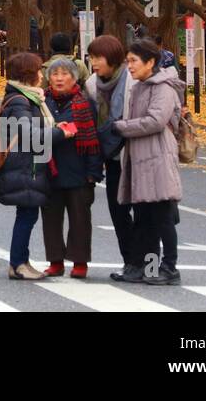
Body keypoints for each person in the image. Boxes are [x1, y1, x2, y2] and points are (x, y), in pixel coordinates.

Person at [112, 38, 183, 285]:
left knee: (162, 217)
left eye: (133, 61)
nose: (129, 66)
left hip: (158, 157)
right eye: (127, 61)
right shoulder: (140, 86)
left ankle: (170, 267)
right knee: (144, 217)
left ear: (150, 62)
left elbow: (155, 121)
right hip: (140, 157)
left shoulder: (163, 87)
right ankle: (150, 269)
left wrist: (120, 127)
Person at [40, 55, 102, 278]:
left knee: (80, 220)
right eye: (55, 74)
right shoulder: (42, 102)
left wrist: (93, 173)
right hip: (50, 171)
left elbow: (95, 140)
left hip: (79, 172)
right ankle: (55, 261)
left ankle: (79, 262)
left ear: (74, 78)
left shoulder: (84, 103)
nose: (59, 78)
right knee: (51, 219)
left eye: (64, 74)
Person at [0, 52, 52, 280]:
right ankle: (18, 263)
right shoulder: (20, 100)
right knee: (27, 214)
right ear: (28, 74)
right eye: (38, 70)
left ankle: (21, 261)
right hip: (23, 164)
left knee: (27, 213)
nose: (41, 74)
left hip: (24, 163)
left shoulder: (25, 97)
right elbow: (28, 133)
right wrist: (59, 132)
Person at [84, 35, 137, 279]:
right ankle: (130, 262)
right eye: (91, 57)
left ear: (113, 58)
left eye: (98, 57)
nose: (93, 62)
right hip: (111, 156)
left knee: (145, 213)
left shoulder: (132, 81)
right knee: (118, 211)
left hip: (136, 154)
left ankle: (148, 264)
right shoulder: (92, 84)